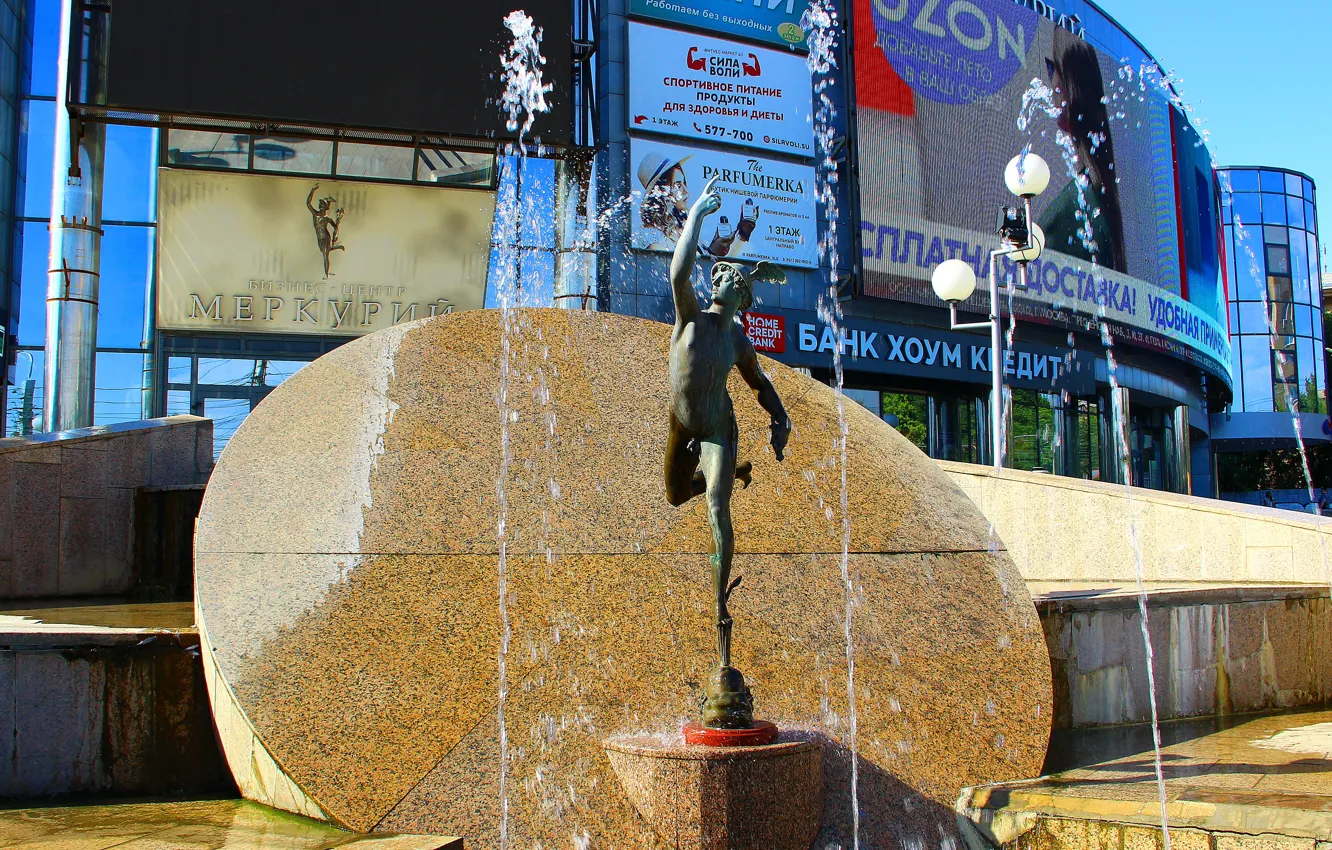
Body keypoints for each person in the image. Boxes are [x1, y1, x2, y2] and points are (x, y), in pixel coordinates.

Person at [663, 175, 791, 728]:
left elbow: (759, 383)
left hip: (717, 426)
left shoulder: (738, 341)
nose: (722, 283)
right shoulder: (690, 316)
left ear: (742, 296)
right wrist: (695, 213)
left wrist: (780, 417)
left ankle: (720, 611)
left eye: (732, 282)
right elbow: (677, 269)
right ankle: (728, 473)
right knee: (675, 495)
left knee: (717, 509)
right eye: (720, 277)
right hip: (681, 423)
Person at [1038, 28, 1127, 274]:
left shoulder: (1078, 206)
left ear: (1069, 81)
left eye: (1050, 68)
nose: (1048, 82)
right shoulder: (1098, 196)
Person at [306, 185, 345, 278]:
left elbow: (335, 227)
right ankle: (338, 246)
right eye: (320, 204)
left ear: (325, 207)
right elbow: (308, 203)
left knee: (325, 255)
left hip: (326, 237)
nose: (319, 206)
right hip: (319, 239)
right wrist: (312, 190)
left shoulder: (326, 218)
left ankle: (326, 274)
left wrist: (337, 224)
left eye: (322, 204)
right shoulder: (315, 214)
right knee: (324, 251)